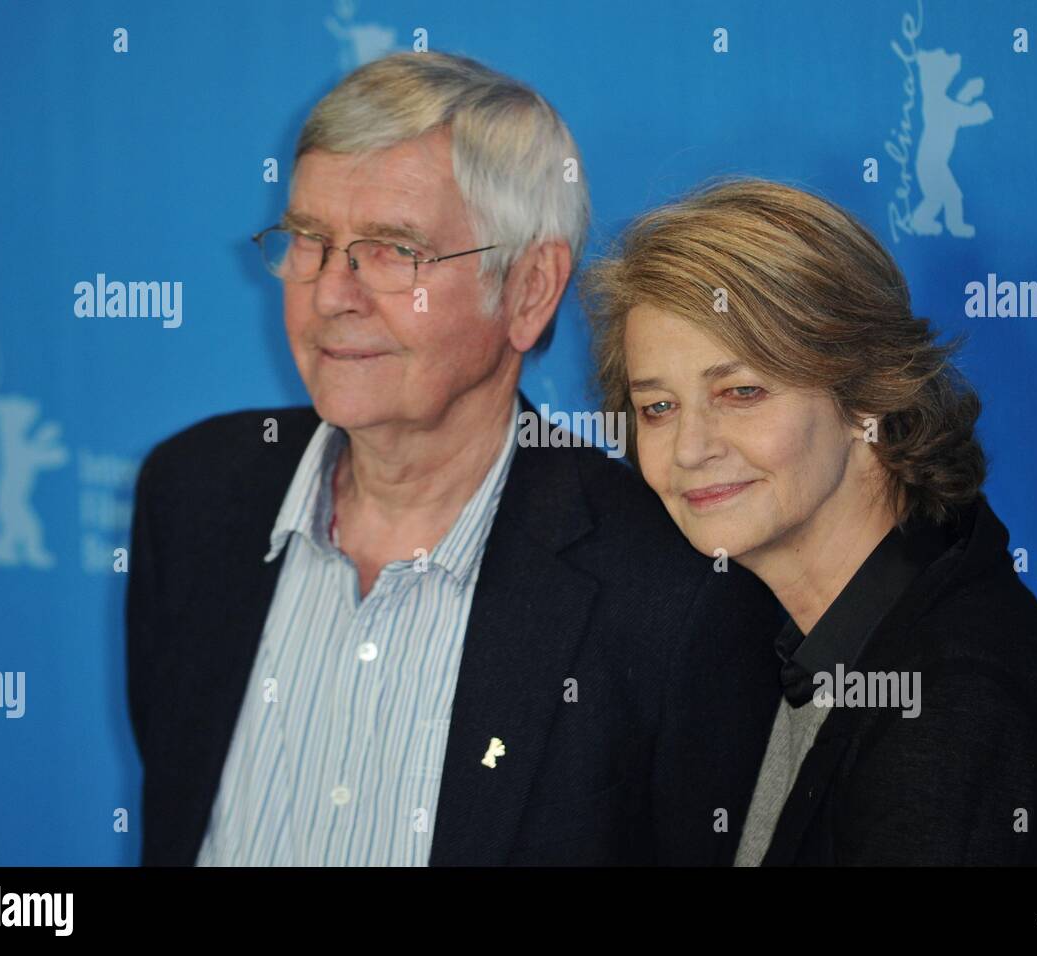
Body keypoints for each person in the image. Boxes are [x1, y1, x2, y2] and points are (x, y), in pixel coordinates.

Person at [125, 52, 783, 866]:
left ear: (530, 289)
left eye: (394, 252)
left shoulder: (664, 590)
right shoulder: (193, 496)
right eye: (308, 240)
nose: (332, 293)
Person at [582, 177, 1037, 864]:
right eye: (657, 408)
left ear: (866, 393)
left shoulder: (956, 708)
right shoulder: (774, 646)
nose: (691, 449)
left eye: (742, 392)